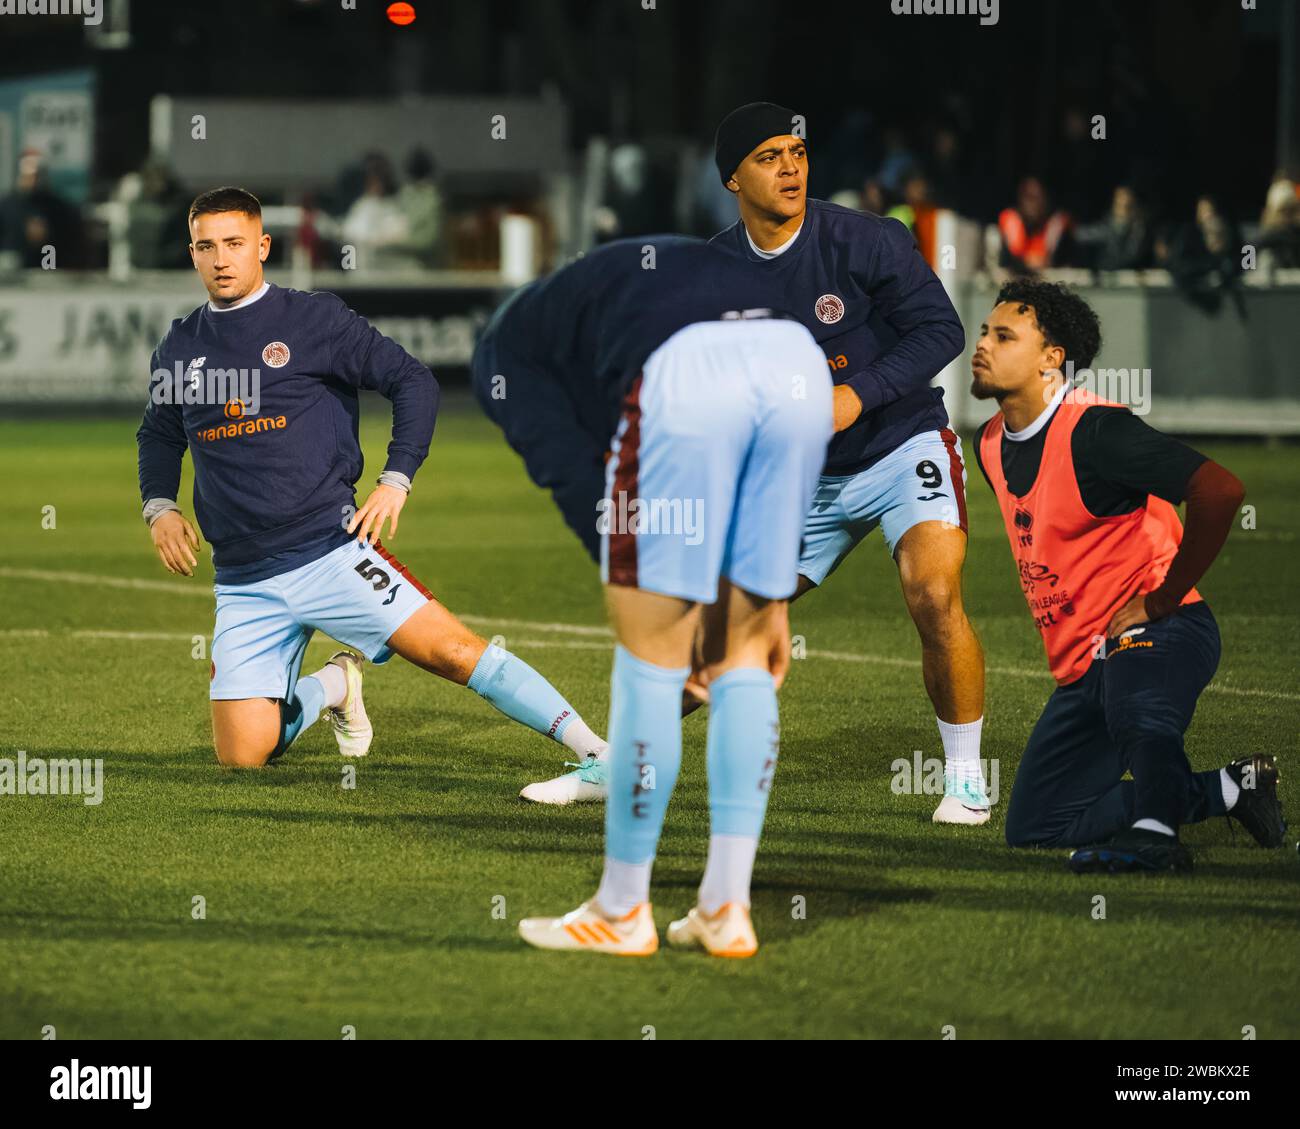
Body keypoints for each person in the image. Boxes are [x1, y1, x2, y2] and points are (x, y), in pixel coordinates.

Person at [136, 186, 609, 771]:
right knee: (243, 756)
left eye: (234, 243)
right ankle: (337, 685)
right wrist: (160, 507)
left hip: (330, 551)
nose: (220, 258)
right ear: (192, 253)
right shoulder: (179, 347)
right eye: (206, 246)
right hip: (242, 579)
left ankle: (597, 752)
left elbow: (413, 381)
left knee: (455, 653)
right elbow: (159, 434)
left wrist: (396, 478)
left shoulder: (313, 319)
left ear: (262, 245)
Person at [504, 236, 833, 956]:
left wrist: (640, 583)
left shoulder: (509, 348)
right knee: (744, 654)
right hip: (801, 365)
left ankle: (621, 909)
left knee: (651, 658)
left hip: (691, 375)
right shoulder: (633, 278)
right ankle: (724, 905)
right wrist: (767, 597)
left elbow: (569, 469)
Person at [708, 102, 989, 825]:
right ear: (733, 179)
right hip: (802, 477)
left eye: (795, 152)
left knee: (933, 593)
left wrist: (854, 394)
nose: (790, 166)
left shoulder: (865, 239)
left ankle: (963, 779)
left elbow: (941, 330)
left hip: (902, 446)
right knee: (721, 626)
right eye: (767, 156)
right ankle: (620, 760)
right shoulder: (713, 273)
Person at [969, 279, 1286, 872]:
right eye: (985, 331)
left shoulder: (1096, 430)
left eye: (1003, 336)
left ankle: (1155, 835)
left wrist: (1164, 600)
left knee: (1143, 714)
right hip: (1082, 668)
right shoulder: (990, 443)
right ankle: (1231, 789)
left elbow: (1219, 489)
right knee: (1037, 826)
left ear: (1050, 359)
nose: (981, 345)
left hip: (1160, 631)